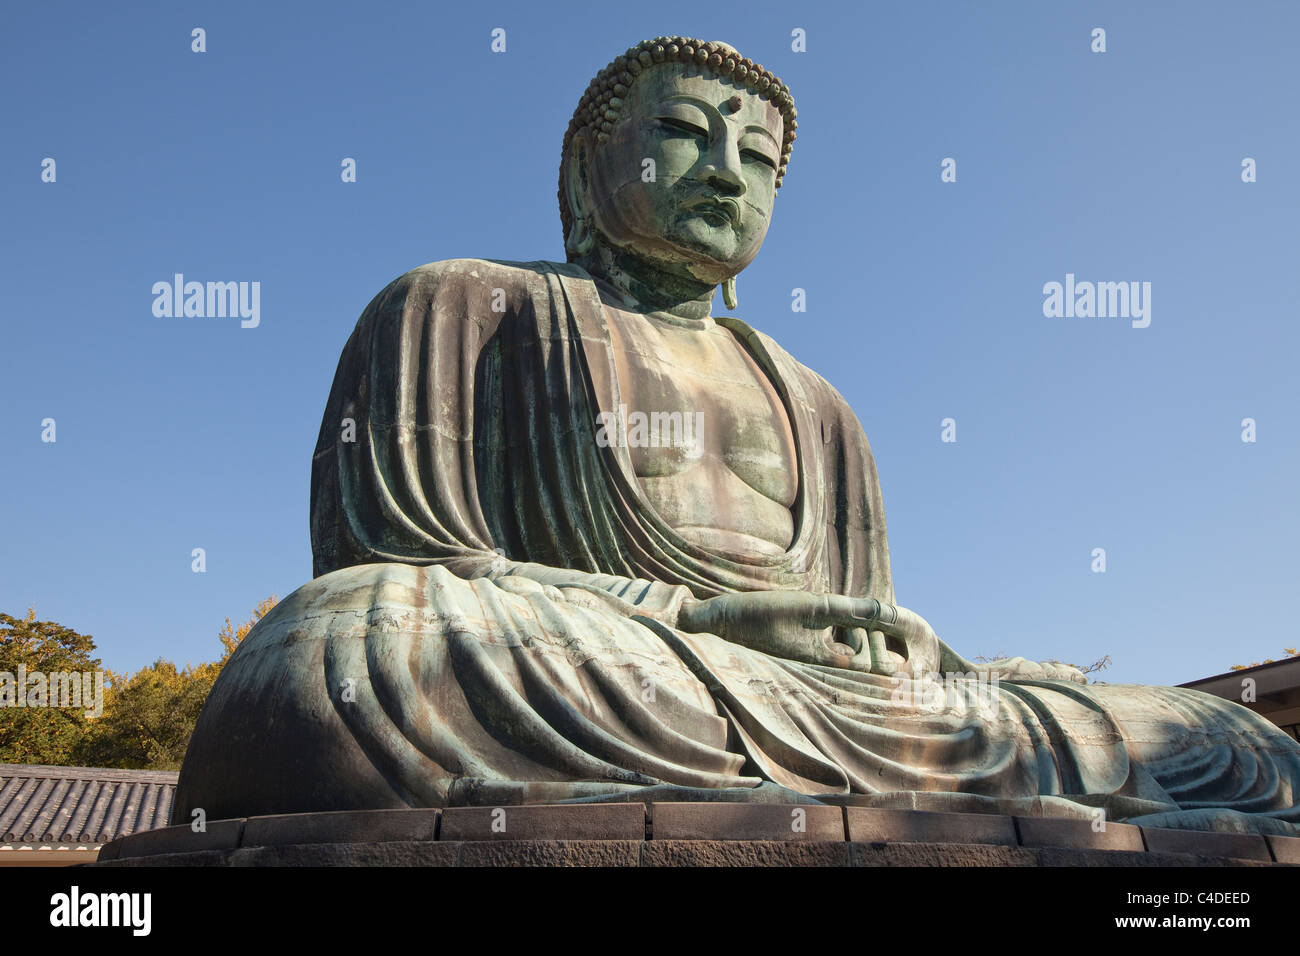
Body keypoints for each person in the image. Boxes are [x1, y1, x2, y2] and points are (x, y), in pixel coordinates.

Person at [175, 37, 1300, 835]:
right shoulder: (461, 304)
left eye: (758, 160)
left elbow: (864, 642)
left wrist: (935, 666)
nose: (727, 172)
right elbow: (403, 564)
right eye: (682, 133)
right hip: (611, 665)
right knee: (342, 648)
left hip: (827, 711)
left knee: (1223, 739)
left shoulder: (819, 401)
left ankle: (1012, 768)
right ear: (584, 166)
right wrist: (689, 616)